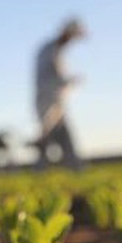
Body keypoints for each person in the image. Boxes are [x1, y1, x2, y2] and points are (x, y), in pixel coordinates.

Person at [29, 17, 87, 171]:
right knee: (48, 139)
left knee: (63, 137)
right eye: (72, 36)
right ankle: (42, 171)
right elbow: (52, 78)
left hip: (55, 102)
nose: (72, 41)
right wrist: (70, 81)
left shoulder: (55, 50)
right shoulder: (50, 50)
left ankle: (75, 168)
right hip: (47, 102)